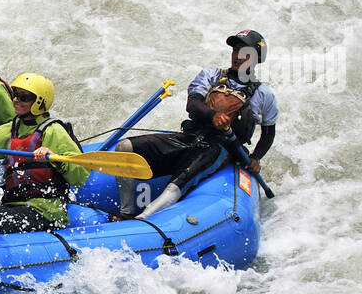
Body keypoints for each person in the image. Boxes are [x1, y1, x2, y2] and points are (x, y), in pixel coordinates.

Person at [113, 29, 279, 219]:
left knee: (177, 183)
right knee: (124, 147)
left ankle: (142, 219)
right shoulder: (212, 75)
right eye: (235, 51)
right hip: (190, 137)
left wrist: (256, 158)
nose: (238, 56)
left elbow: (268, 134)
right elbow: (192, 104)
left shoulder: (264, 95)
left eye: (245, 53)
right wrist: (213, 115)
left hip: (221, 149)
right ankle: (126, 213)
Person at [0, 73, 90, 233]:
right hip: (14, 205)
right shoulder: (11, 129)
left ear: (39, 102)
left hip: (46, 212)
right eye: (15, 95)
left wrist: (54, 158)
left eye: (23, 97)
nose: (15, 100)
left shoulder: (53, 131)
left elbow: (80, 175)